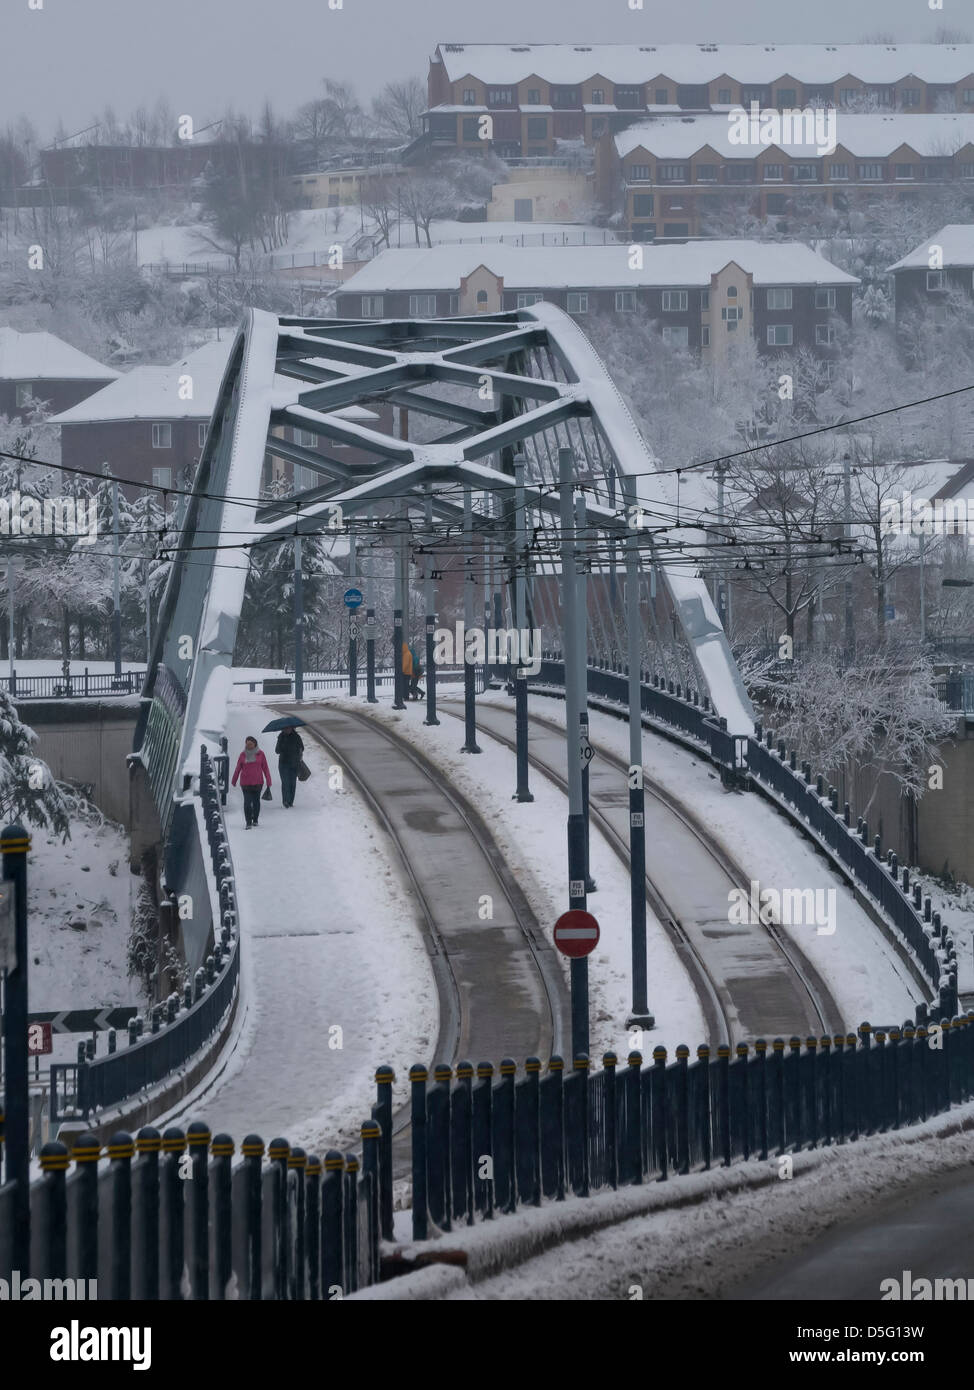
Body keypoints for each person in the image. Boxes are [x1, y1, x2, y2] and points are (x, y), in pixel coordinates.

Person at [231, 735, 271, 828]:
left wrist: (268, 781)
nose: (249, 746)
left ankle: (255, 820)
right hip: (245, 783)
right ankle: (248, 822)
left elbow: (265, 768)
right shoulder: (242, 755)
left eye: (251, 744)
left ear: (255, 744)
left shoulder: (261, 754)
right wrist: (234, 780)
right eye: (247, 744)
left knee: (256, 802)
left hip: (258, 783)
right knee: (247, 803)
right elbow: (238, 768)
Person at [275, 726, 304, 808]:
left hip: (294, 763)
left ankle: (291, 801)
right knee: (285, 783)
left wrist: (298, 750)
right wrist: (283, 746)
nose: (287, 730)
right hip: (283, 763)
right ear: (283, 729)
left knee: (292, 783)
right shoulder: (281, 737)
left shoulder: (297, 737)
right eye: (285, 728)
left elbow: (302, 748)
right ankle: (285, 801)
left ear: (292, 728)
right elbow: (277, 750)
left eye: (289, 728)